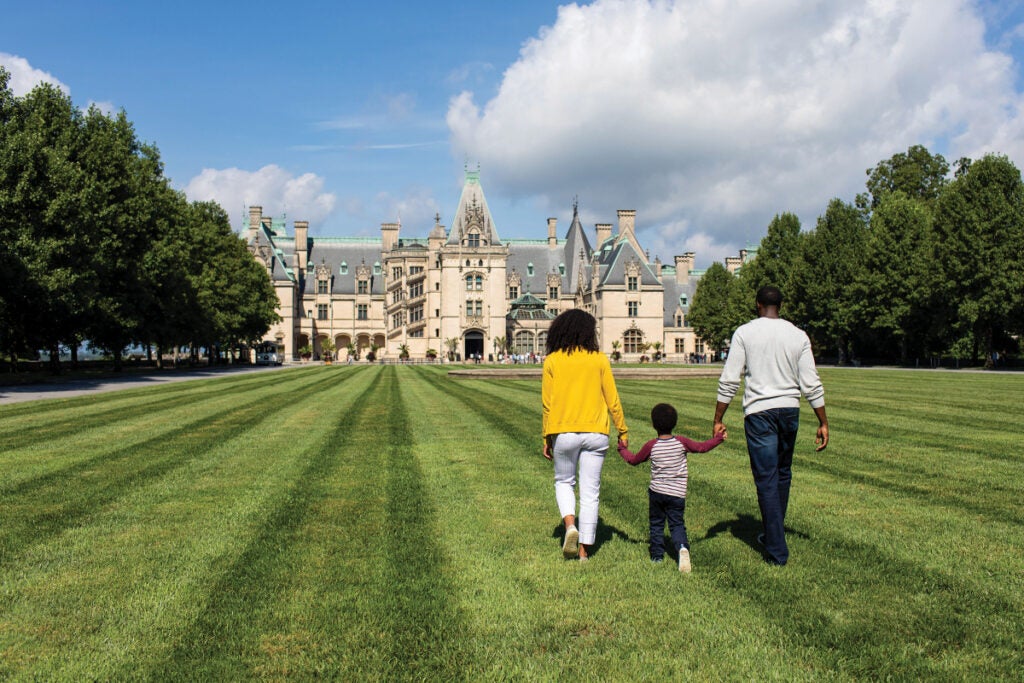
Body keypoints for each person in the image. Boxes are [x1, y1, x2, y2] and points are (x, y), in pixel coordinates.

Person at [713, 285, 829, 566]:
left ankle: (777, 550)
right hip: (789, 410)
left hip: (760, 411)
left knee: (766, 478)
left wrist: (718, 417)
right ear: (781, 305)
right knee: (782, 473)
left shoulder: (745, 332)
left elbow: (731, 379)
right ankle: (773, 531)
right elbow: (810, 382)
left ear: (757, 304)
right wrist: (823, 421)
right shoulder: (797, 335)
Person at [542, 309, 629, 561]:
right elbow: (613, 400)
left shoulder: (552, 361)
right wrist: (623, 431)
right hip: (596, 432)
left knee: (564, 481)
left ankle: (570, 525)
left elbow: (547, 404)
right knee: (591, 491)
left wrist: (545, 437)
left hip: (564, 430)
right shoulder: (599, 360)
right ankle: (583, 551)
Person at [617, 403, 725, 572]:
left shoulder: (651, 446)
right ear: (675, 423)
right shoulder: (681, 442)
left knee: (657, 524)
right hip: (677, 494)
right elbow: (702, 447)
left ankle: (657, 556)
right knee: (676, 524)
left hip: (657, 492)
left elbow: (634, 460)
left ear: (653, 425)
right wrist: (718, 438)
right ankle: (682, 547)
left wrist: (622, 448)